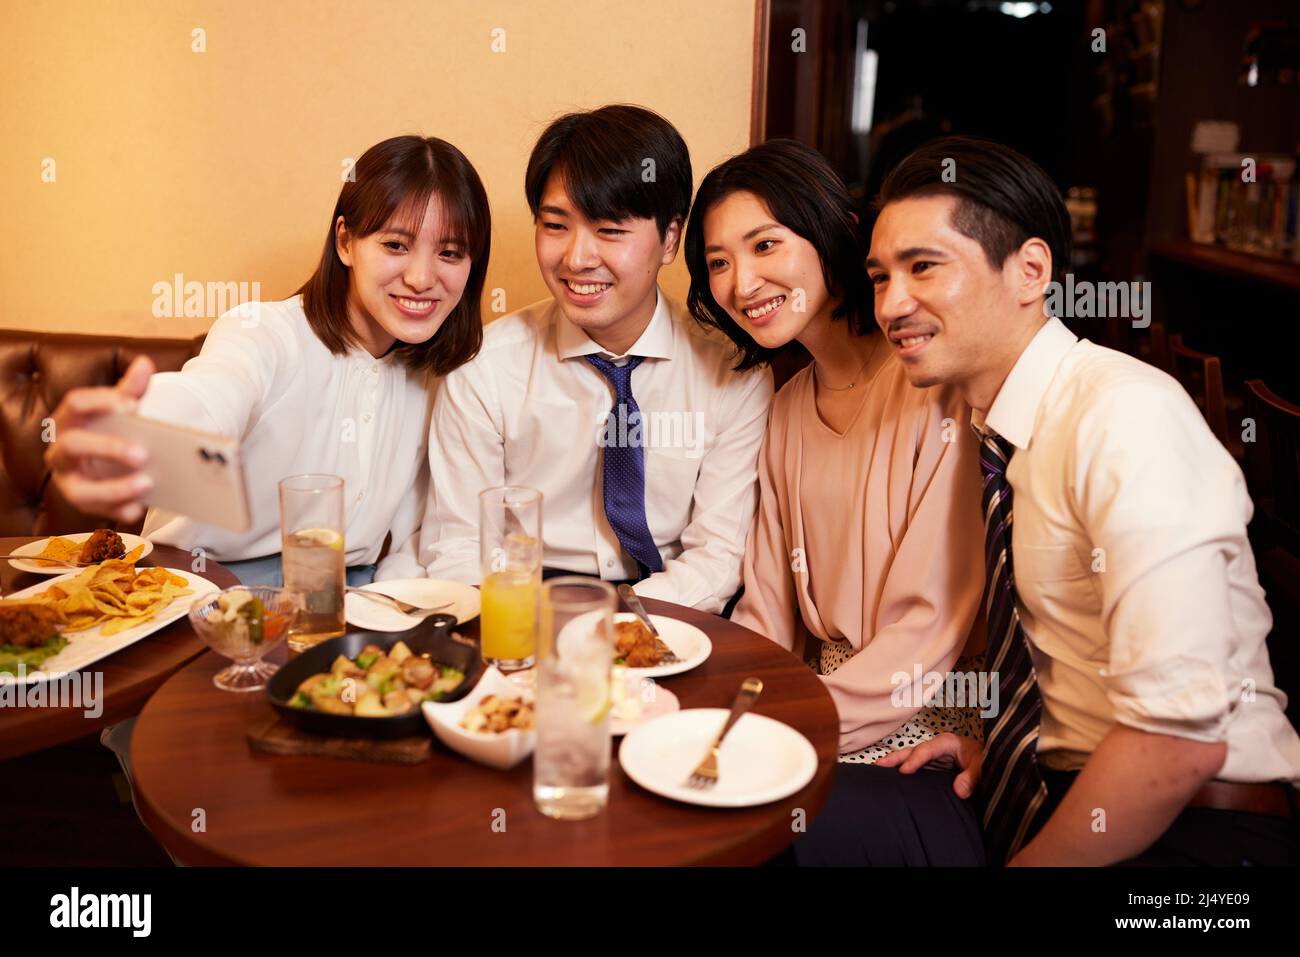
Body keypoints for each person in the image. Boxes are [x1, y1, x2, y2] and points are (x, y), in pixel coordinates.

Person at [870, 135, 1300, 866]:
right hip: (1051, 782)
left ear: (1030, 270)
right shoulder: (994, 431)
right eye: (879, 277)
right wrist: (997, 745)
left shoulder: (1124, 416)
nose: (891, 303)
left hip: (1204, 833)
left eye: (922, 267)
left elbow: (1177, 740)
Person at [685, 139, 987, 865]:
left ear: (832, 231)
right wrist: (725, 719)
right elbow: (765, 614)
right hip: (809, 723)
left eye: (765, 245)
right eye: (718, 262)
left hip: (922, 741)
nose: (741, 280)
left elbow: (927, 633)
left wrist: (779, 730)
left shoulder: (933, 387)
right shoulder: (786, 407)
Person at [45, 135, 492, 586]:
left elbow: (412, 536)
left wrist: (392, 603)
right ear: (345, 242)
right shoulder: (264, 333)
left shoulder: (443, 378)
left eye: (449, 253)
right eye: (396, 245)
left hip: (346, 602)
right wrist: (131, 430)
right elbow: (209, 399)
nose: (421, 278)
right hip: (200, 590)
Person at [404, 105, 772, 613]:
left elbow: (717, 557)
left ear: (669, 238)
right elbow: (462, 547)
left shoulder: (734, 373)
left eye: (610, 230)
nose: (577, 259)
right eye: (556, 226)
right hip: (521, 609)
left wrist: (614, 628)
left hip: (672, 610)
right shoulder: (484, 367)